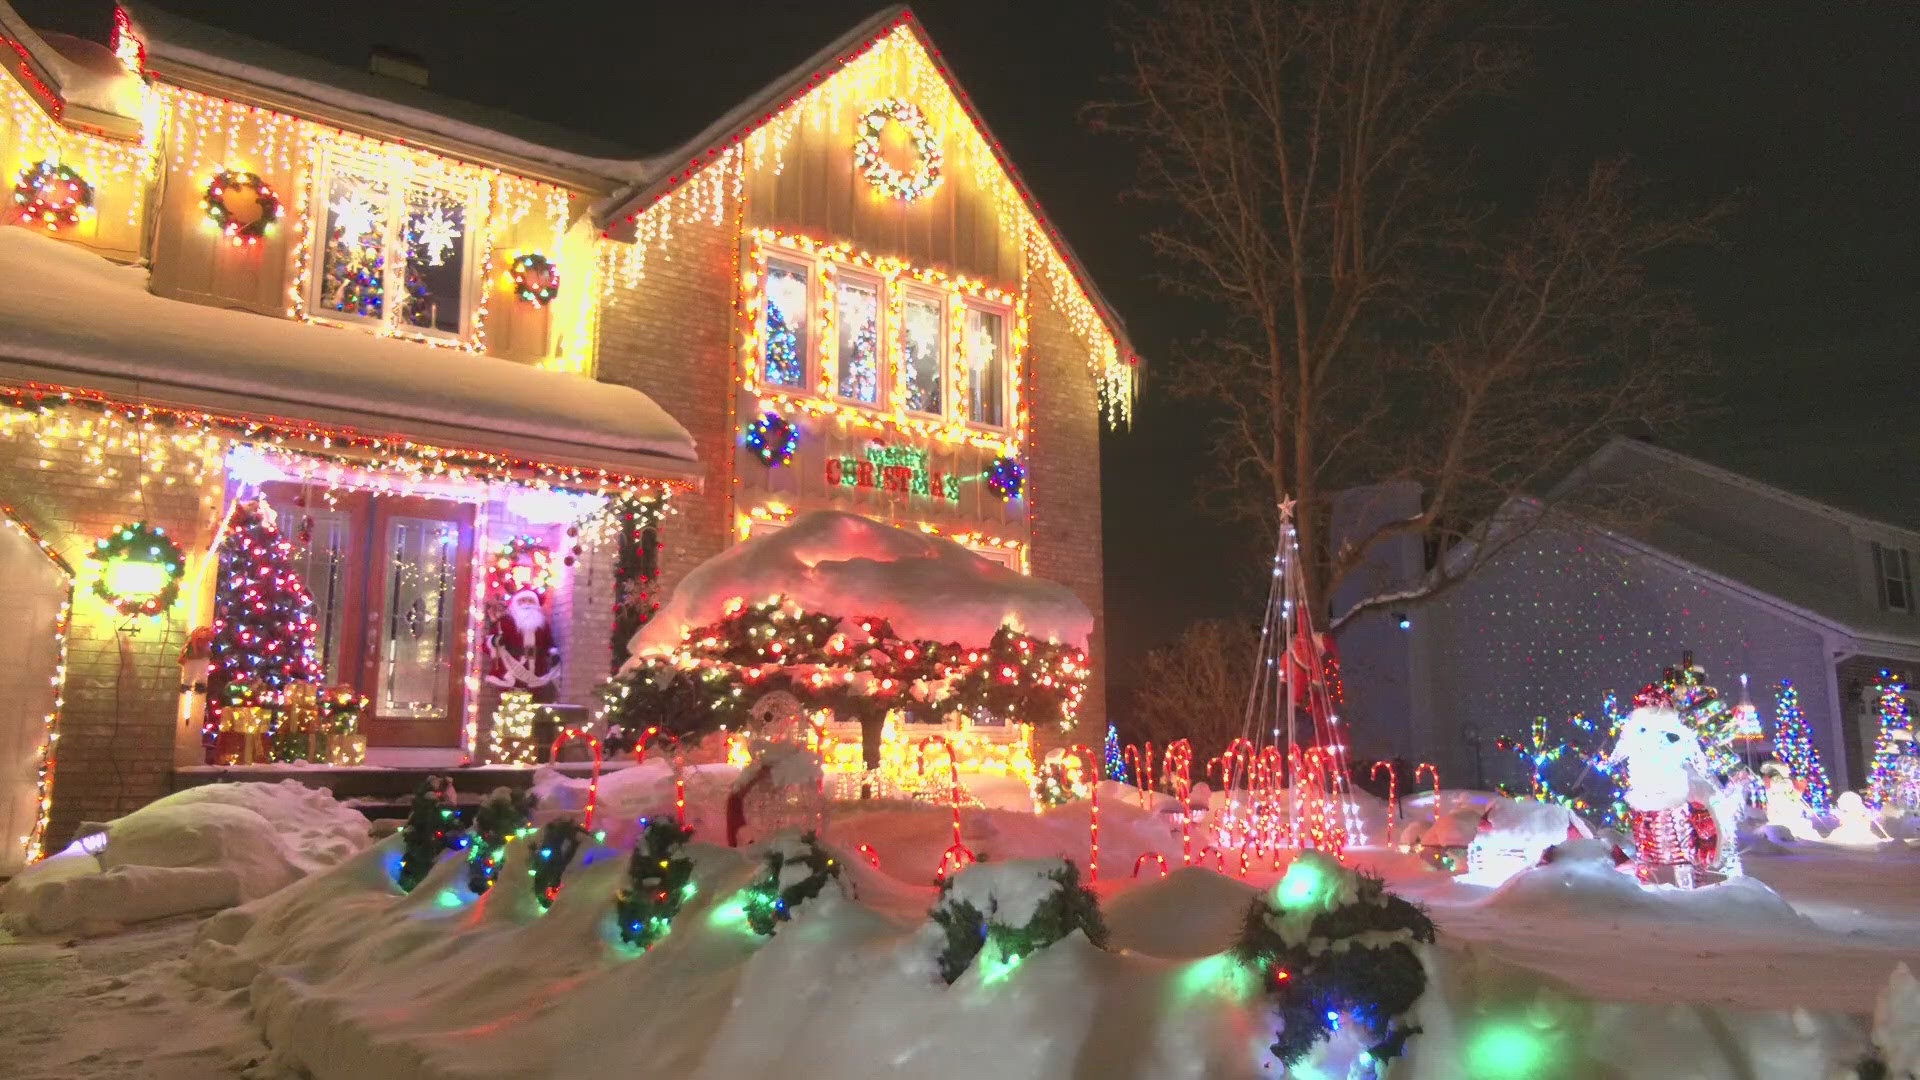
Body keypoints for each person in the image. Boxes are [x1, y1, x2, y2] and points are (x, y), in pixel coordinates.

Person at [485, 587, 561, 703]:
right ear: (516, 603)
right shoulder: (506, 622)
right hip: (511, 671)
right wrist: (495, 641)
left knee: (536, 706)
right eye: (523, 601)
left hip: (537, 674)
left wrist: (553, 653)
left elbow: (549, 643)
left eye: (530, 601)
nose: (527, 604)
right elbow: (487, 644)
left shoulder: (542, 624)